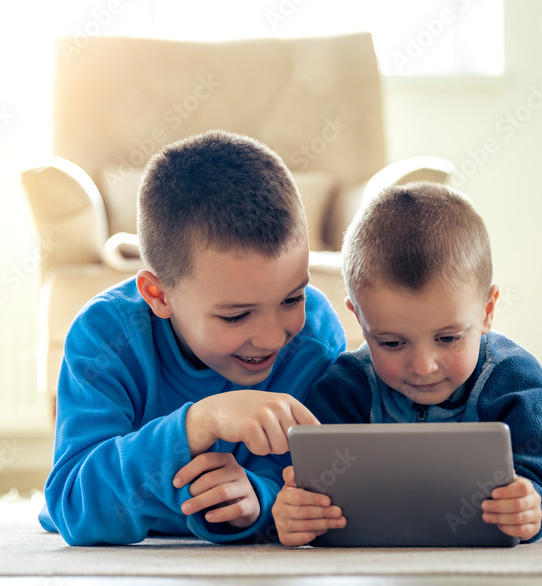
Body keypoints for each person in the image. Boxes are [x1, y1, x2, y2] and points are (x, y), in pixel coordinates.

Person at [39, 130, 347, 545]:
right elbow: (74, 506)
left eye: (292, 298)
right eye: (236, 316)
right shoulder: (105, 337)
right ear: (158, 295)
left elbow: (318, 482)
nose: (275, 337)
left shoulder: (315, 338)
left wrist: (261, 499)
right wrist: (198, 423)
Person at [273, 182, 542, 547]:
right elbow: (314, 484)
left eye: (448, 338)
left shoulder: (514, 378)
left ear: (487, 311)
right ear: (359, 320)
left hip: (540, 449)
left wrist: (533, 500)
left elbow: (537, 467)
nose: (422, 367)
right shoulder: (343, 388)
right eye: (391, 343)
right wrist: (295, 510)